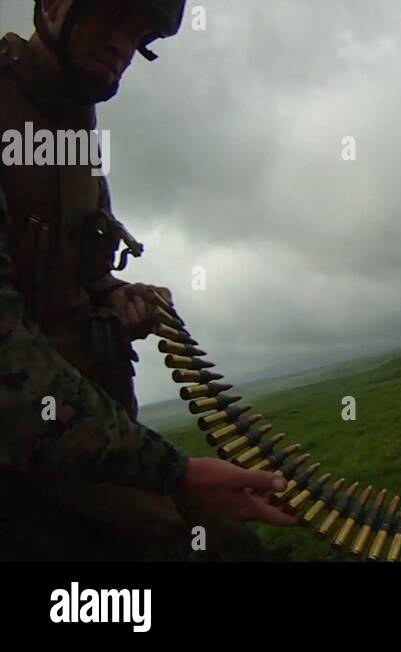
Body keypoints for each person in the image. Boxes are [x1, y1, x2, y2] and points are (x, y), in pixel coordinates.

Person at [0, 0, 297, 561]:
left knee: (233, 546)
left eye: (139, 36)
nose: (123, 48)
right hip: (21, 465)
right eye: (114, 19)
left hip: (81, 452)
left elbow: (74, 284)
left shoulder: (73, 124)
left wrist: (117, 299)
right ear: (56, 6)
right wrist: (175, 473)